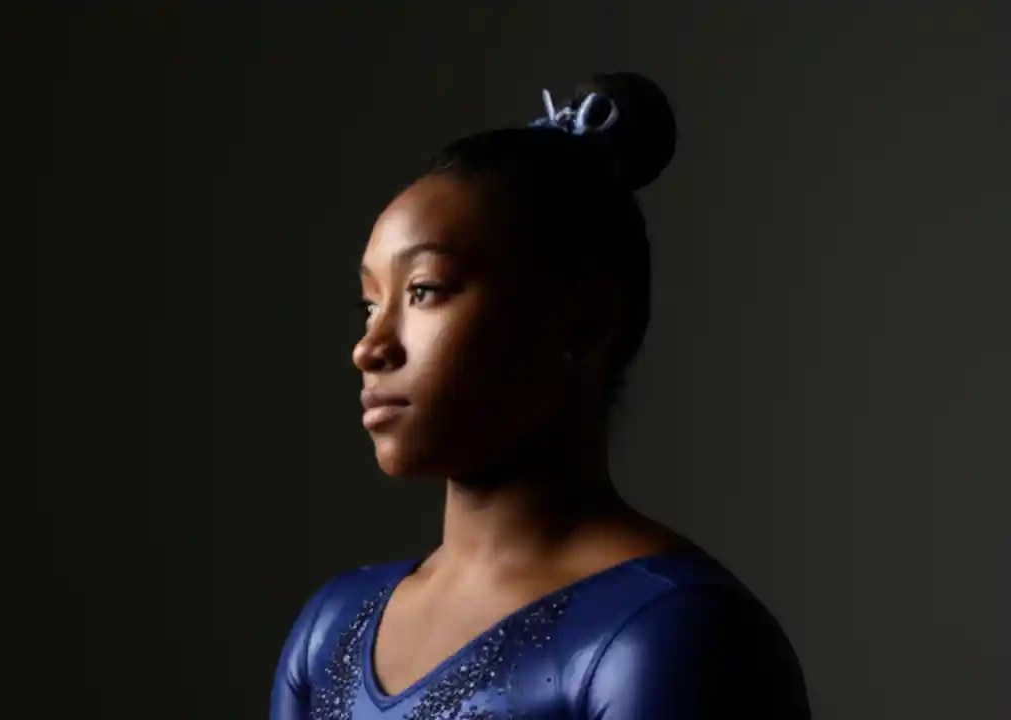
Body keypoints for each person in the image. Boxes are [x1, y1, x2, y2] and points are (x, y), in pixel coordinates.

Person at [271, 72, 811, 719]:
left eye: (423, 291)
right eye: (368, 304)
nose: (370, 347)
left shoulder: (674, 633)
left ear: (582, 320)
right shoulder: (333, 626)